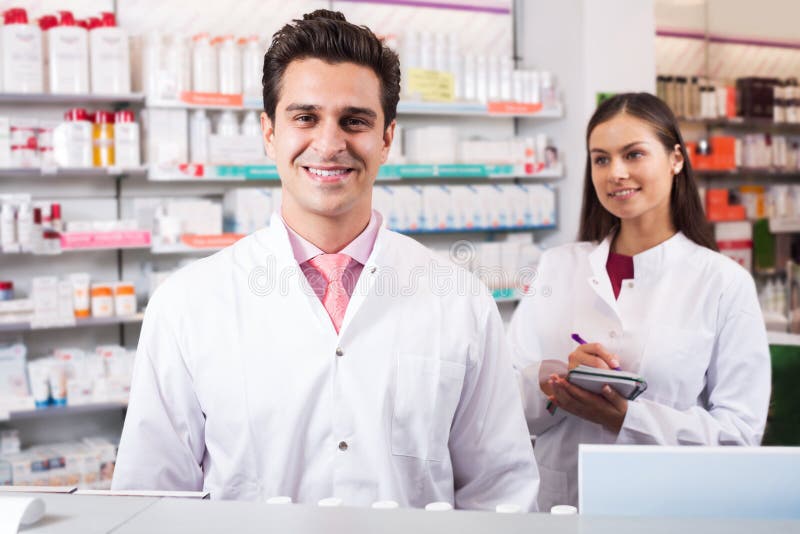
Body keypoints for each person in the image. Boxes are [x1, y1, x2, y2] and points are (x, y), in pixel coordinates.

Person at [112, 9, 540, 510]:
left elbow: (500, 494)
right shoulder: (187, 305)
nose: (330, 143)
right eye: (305, 117)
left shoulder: (460, 300)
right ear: (269, 133)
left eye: (355, 121)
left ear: (386, 138)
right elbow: (149, 499)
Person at [508, 92, 770, 511]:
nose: (616, 173)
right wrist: (552, 382)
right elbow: (502, 399)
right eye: (601, 159)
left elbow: (740, 435)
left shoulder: (723, 283)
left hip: (668, 506)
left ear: (676, 159)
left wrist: (627, 419)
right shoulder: (557, 267)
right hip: (561, 506)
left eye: (633, 154)